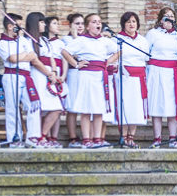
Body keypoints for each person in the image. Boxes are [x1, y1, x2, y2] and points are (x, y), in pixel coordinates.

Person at [62, 13, 119, 148]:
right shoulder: (82, 40)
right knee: (86, 108)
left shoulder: (104, 41)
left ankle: (97, 138)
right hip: (86, 75)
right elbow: (65, 52)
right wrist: (76, 64)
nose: (98, 24)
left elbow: (118, 51)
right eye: (94, 22)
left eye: (99, 21)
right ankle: (86, 139)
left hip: (100, 75)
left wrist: (108, 62)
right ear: (88, 26)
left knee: (99, 108)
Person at [0, 13, 43, 147]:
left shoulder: (23, 40)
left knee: (33, 104)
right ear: (10, 26)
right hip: (11, 75)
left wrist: (20, 56)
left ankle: (32, 137)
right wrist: (24, 56)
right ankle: (14, 138)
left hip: (26, 76)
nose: (21, 29)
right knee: (13, 107)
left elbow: (33, 56)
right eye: (19, 26)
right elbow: (11, 59)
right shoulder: (3, 43)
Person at [146, 7, 177, 148]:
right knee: (156, 104)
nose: (169, 18)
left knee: (172, 106)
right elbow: (146, 53)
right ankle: (157, 139)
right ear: (160, 20)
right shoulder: (153, 33)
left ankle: (173, 138)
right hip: (157, 72)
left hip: (173, 73)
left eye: (172, 16)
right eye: (166, 16)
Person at [112, 11, 150, 148]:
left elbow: (146, 59)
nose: (131, 24)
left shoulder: (143, 40)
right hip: (124, 77)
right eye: (128, 22)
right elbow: (113, 59)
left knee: (136, 108)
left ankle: (131, 137)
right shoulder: (117, 39)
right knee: (125, 107)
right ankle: (122, 136)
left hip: (139, 77)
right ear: (123, 25)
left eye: (134, 21)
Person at [26, 12, 64, 148]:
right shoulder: (29, 40)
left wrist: (53, 72)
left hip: (49, 75)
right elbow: (35, 61)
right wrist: (48, 73)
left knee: (57, 108)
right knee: (39, 107)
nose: (44, 25)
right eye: (41, 22)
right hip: (38, 75)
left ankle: (42, 134)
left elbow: (52, 58)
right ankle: (35, 136)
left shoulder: (45, 40)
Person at [42, 15, 67, 146]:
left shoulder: (60, 43)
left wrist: (63, 76)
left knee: (57, 107)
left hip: (57, 74)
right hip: (45, 73)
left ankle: (54, 137)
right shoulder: (42, 41)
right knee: (46, 108)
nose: (58, 26)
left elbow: (65, 60)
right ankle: (43, 135)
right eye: (54, 23)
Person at [63, 13, 85, 147]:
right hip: (73, 74)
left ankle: (86, 136)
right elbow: (76, 54)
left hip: (86, 75)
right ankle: (73, 137)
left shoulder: (88, 39)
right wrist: (75, 35)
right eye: (77, 24)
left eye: (82, 24)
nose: (80, 26)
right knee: (72, 107)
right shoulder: (66, 39)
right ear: (71, 25)